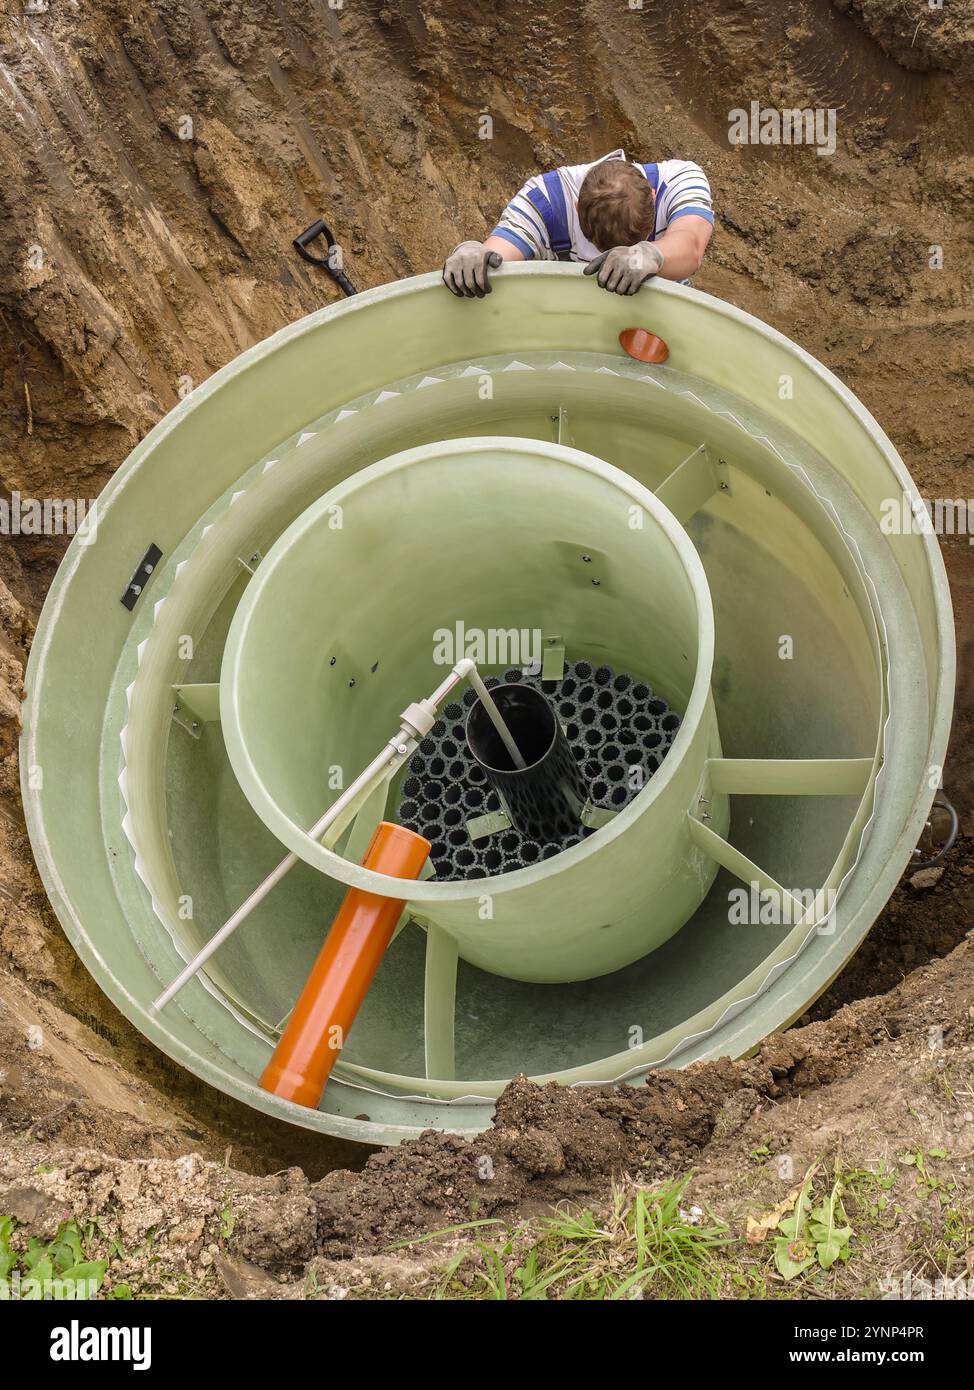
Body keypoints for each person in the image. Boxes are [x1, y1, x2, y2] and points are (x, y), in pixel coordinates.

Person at [443, 148, 713, 298]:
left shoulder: (680, 180)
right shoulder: (546, 200)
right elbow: (501, 251)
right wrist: (474, 253)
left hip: (654, 324)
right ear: (575, 207)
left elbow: (690, 246)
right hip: (569, 316)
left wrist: (648, 254)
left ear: (654, 199)